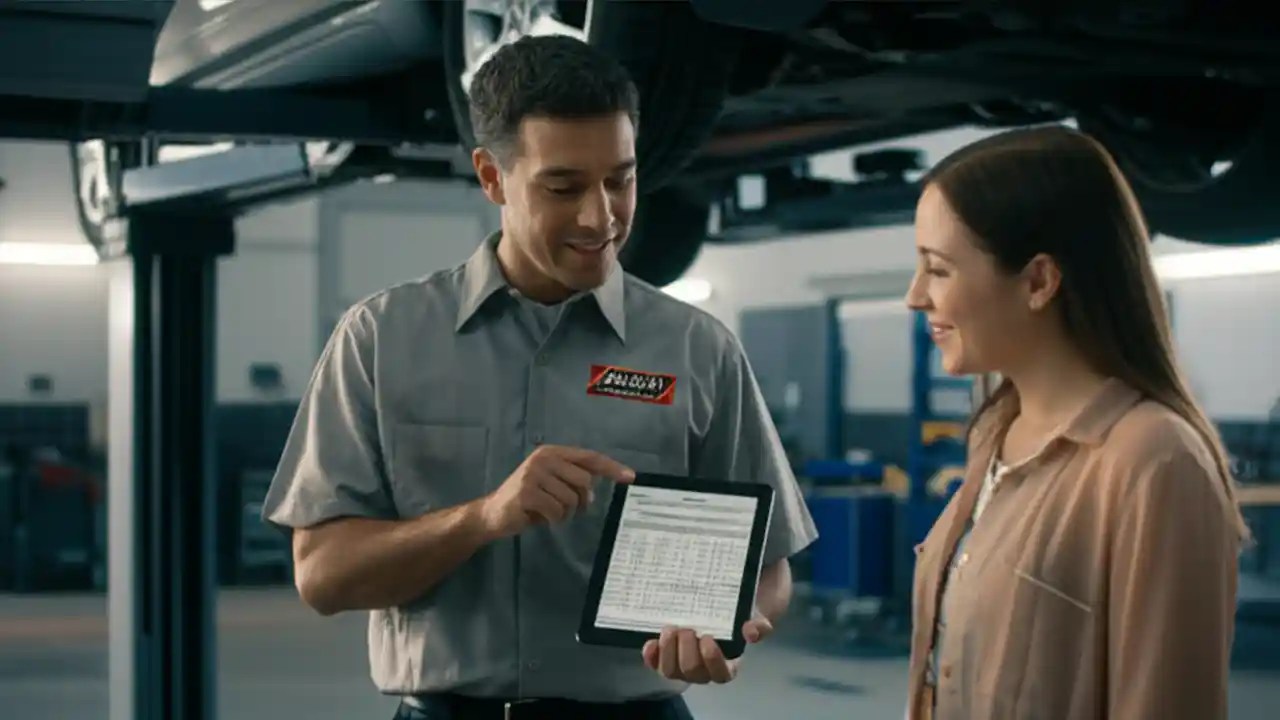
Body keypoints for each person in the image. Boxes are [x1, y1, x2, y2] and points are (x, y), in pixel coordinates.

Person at [261, 34, 818, 720]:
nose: (600, 216)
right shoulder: (380, 339)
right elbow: (323, 576)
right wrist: (484, 518)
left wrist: (732, 632)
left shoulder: (698, 350)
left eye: (620, 180)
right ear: (492, 177)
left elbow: (768, 565)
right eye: (563, 187)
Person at [902, 126, 1246, 720]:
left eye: (938, 270)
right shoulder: (995, 435)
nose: (915, 296)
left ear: (1039, 281)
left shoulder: (1153, 460)